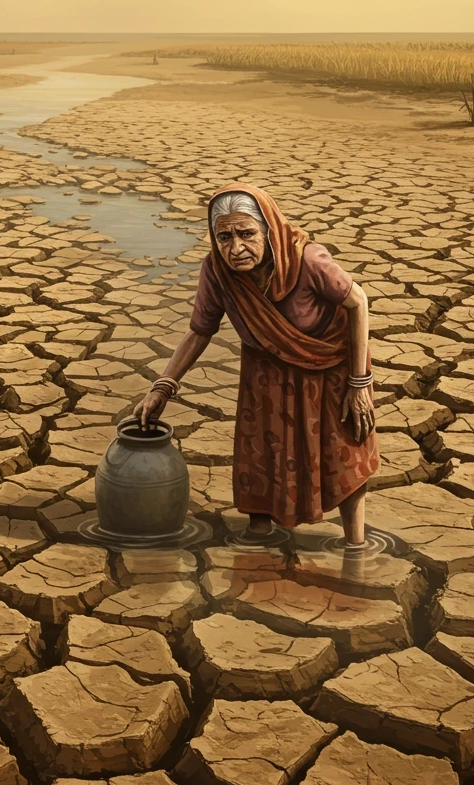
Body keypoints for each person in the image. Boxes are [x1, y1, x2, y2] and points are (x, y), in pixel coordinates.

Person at [132, 183, 379, 547]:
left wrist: (359, 385)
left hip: (332, 366)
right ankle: (259, 534)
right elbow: (200, 331)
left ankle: (354, 543)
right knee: (263, 448)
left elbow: (358, 302)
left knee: (343, 451)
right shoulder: (218, 271)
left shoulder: (307, 259)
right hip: (265, 371)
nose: (236, 248)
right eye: (224, 237)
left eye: (246, 233)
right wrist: (162, 387)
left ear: (269, 229)